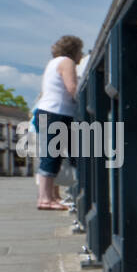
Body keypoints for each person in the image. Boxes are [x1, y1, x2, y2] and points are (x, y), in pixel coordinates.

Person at [33, 35, 83, 210]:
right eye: (80, 50)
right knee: (52, 156)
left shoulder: (53, 62)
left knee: (52, 155)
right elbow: (72, 88)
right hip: (57, 112)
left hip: (48, 111)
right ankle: (45, 199)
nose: (81, 55)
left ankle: (48, 197)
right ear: (74, 50)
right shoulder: (67, 62)